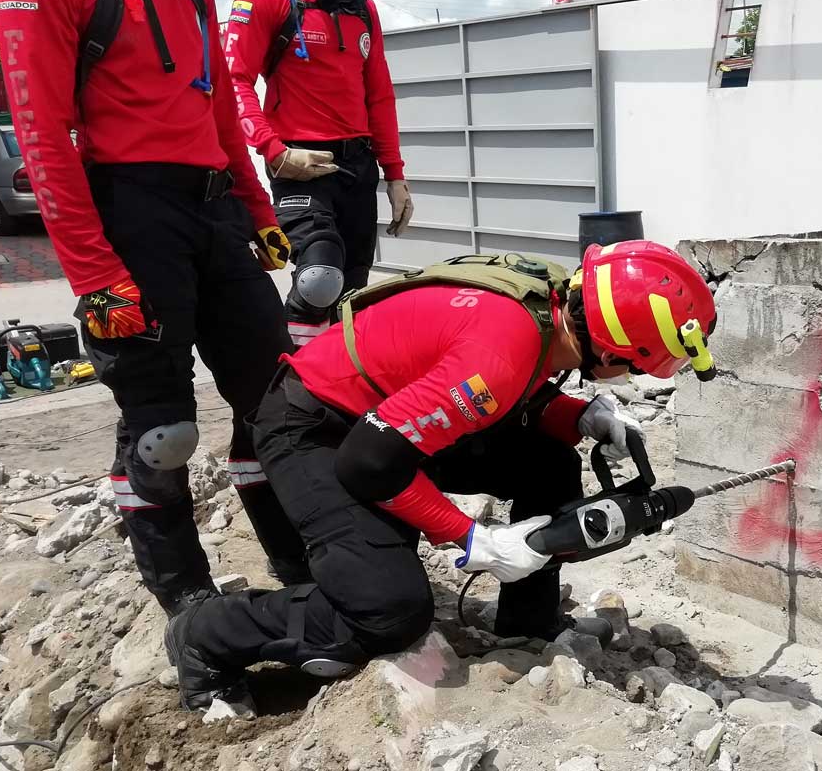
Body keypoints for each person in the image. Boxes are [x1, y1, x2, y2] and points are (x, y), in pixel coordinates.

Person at [164, 241, 718, 709]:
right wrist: (475, 538)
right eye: (638, 364)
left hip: (389, 420)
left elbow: (481, 391)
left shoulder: (546, 305)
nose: (635, 375)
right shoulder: (503, 351)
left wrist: (578, 415)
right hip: (319, 428)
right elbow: (369, 461)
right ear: (614, 344)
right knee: (390, 612)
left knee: (548, 461)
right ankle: (207, 634)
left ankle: (527, 624)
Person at [0, 0, 310, 616]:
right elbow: (40, 129)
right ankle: (188, 608)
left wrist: (255, 208)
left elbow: (219, 98)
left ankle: (301, 566)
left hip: (214, 205)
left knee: (278, 403)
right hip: (129, 212)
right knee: (163, 432)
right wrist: (94, 271)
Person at [223, 0, 413, 348]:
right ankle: (297, 389)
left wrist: (395, 176)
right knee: (320, 277)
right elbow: (233, 80)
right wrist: (273, 150)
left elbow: (379, 95)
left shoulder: (362, 7)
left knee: (352, 298)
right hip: (299, 166)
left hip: (358, 168)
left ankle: (339, 394)